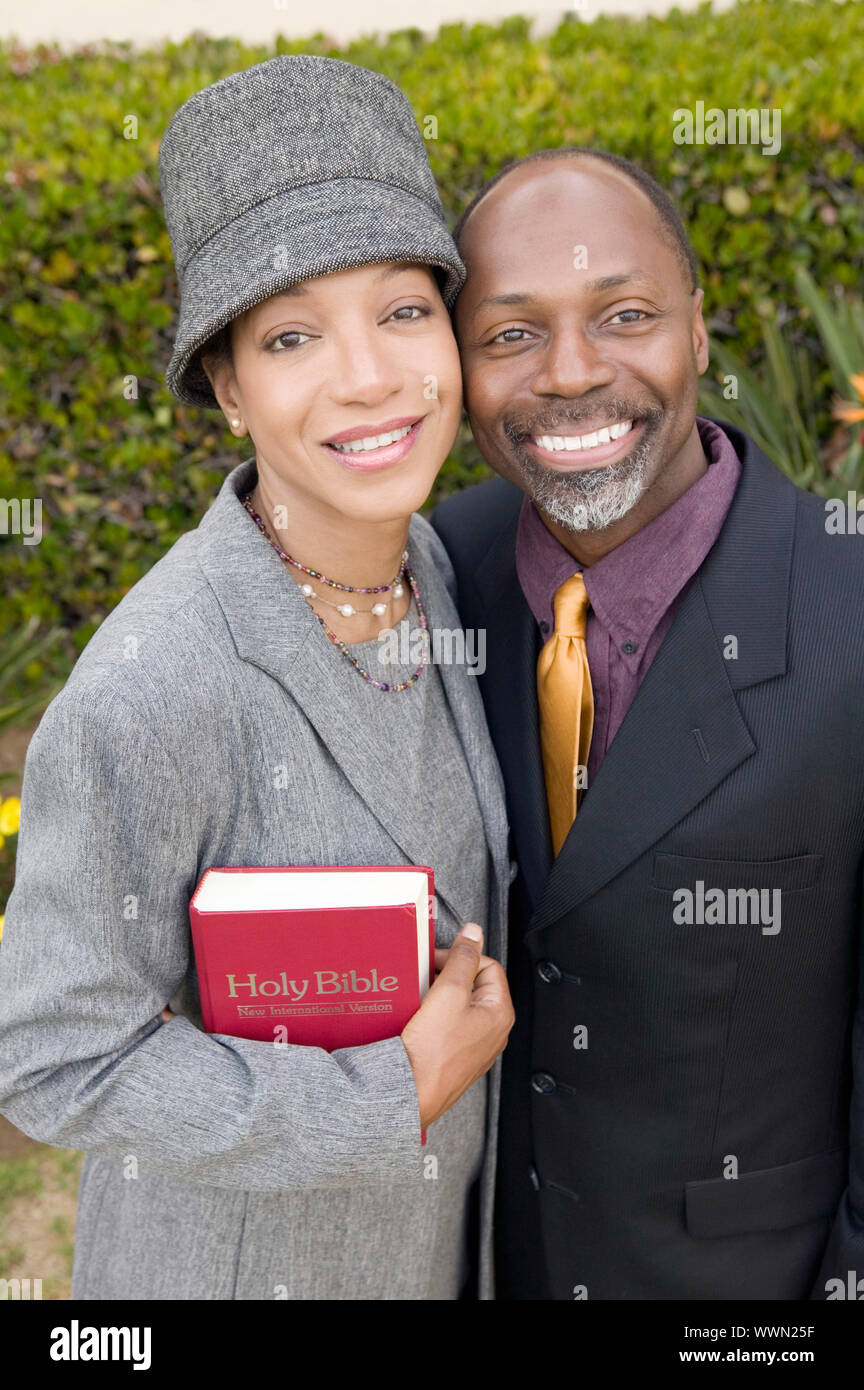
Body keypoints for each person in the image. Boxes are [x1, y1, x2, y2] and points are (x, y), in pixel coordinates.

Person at [0, 54, 514, 1301]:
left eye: (402, 310)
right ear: (227, 386)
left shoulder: (446, 574)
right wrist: (389, 1095)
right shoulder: (158, 680)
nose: (369, 376)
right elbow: (52, 1053)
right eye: (292, 335)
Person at [430, 146, 864, 1300]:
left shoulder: (850, 609)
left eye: (624, 314)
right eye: (511, 334)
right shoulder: (430, 580)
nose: (571, 374)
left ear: (700, 329)